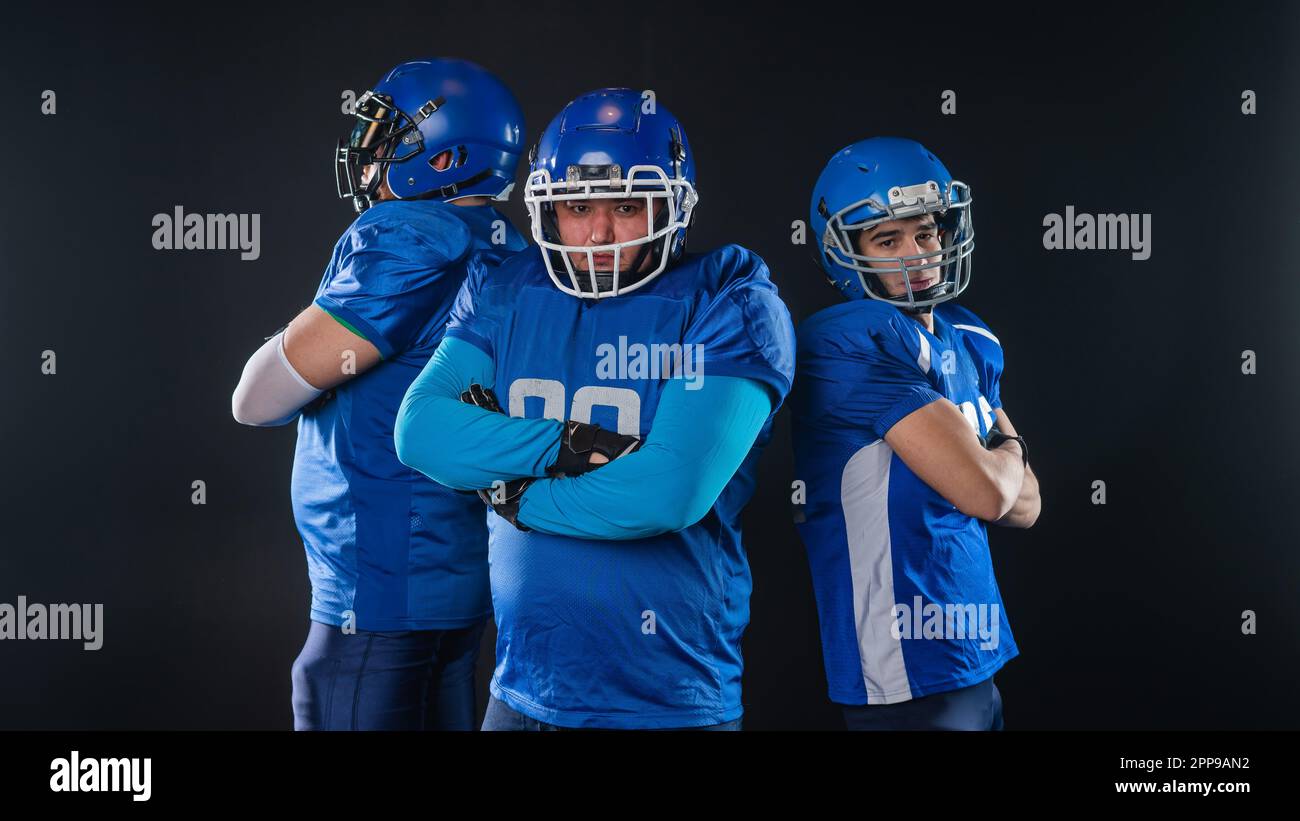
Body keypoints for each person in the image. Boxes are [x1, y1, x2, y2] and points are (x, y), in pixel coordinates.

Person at [394, 88, 795, 730]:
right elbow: (421, 432)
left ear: (671, 205)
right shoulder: (508, 288)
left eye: (629, 207)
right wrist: (567, 446)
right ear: (549, 212)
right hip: (520, 690)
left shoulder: (729, 299)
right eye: (578, 207)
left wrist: (518, 498)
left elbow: (668, 494)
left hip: (666, 701)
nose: (600, 233)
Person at [230, 58, 526, 730]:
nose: (369, 154)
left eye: (390, 138)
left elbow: (256, 398)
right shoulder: (507, 243)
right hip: (455, 582)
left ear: (446, 155)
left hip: (380, 596)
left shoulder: (412, 233)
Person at [792, 137, 1040, 730]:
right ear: (846, 251)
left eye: (925, 232)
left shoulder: (965, 335)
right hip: (902, 667)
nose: (917, 254)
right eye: (887, 239)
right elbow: (990, 494)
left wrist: (999, 468)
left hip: (976, 654)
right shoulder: (847, 340)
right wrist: (1006, 454)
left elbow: (1027, 506)